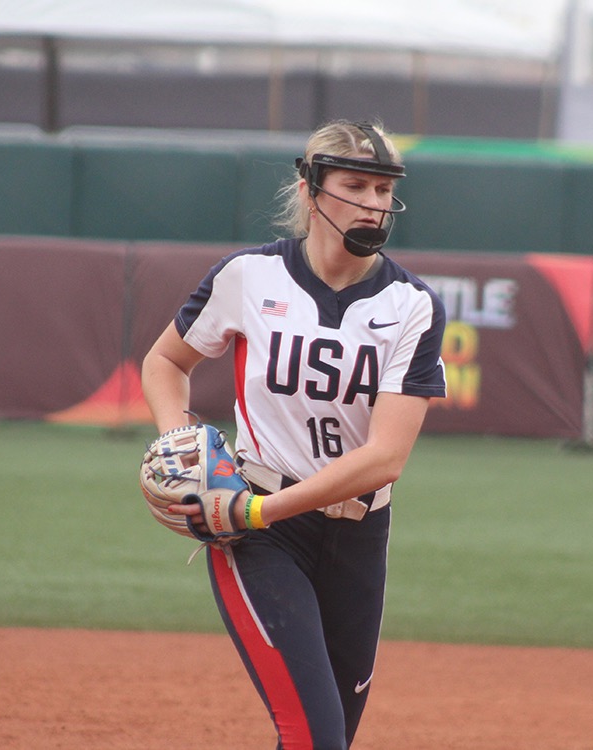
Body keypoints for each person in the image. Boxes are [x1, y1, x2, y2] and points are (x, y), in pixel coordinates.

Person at [141, 119, 447, 748]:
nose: (374, 202)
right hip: (261, 536)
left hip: (351, 532)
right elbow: (166, 362)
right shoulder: (249, 276)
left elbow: (385, 458)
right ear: (310, 190)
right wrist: (176, 438)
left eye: (384, 190)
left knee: (330, 736)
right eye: (355, 185)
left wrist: (256, 510)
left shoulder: (412, 305)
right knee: (314, 737)